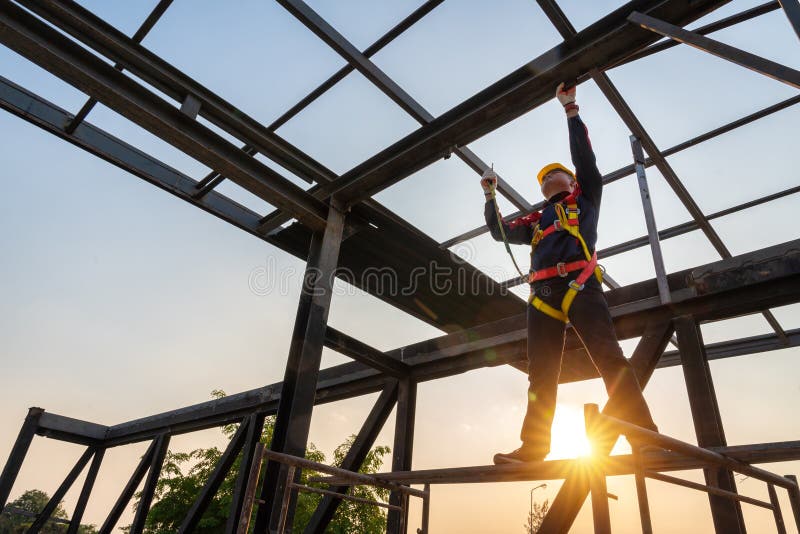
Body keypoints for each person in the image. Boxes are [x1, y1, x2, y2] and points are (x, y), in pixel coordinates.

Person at [481, 82, 658, 464]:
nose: (546, 178)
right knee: (541, 375)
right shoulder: (535, 221)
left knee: (610, 359)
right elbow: (499, 231)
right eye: (542, 178)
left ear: (571, 181)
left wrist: (571, 110)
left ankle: (646, 439)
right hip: (542, 296)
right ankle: (534, 448)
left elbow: (586, 162)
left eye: (554, 173)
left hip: (581, 285)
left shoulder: (586, 197)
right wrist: (489, 195)